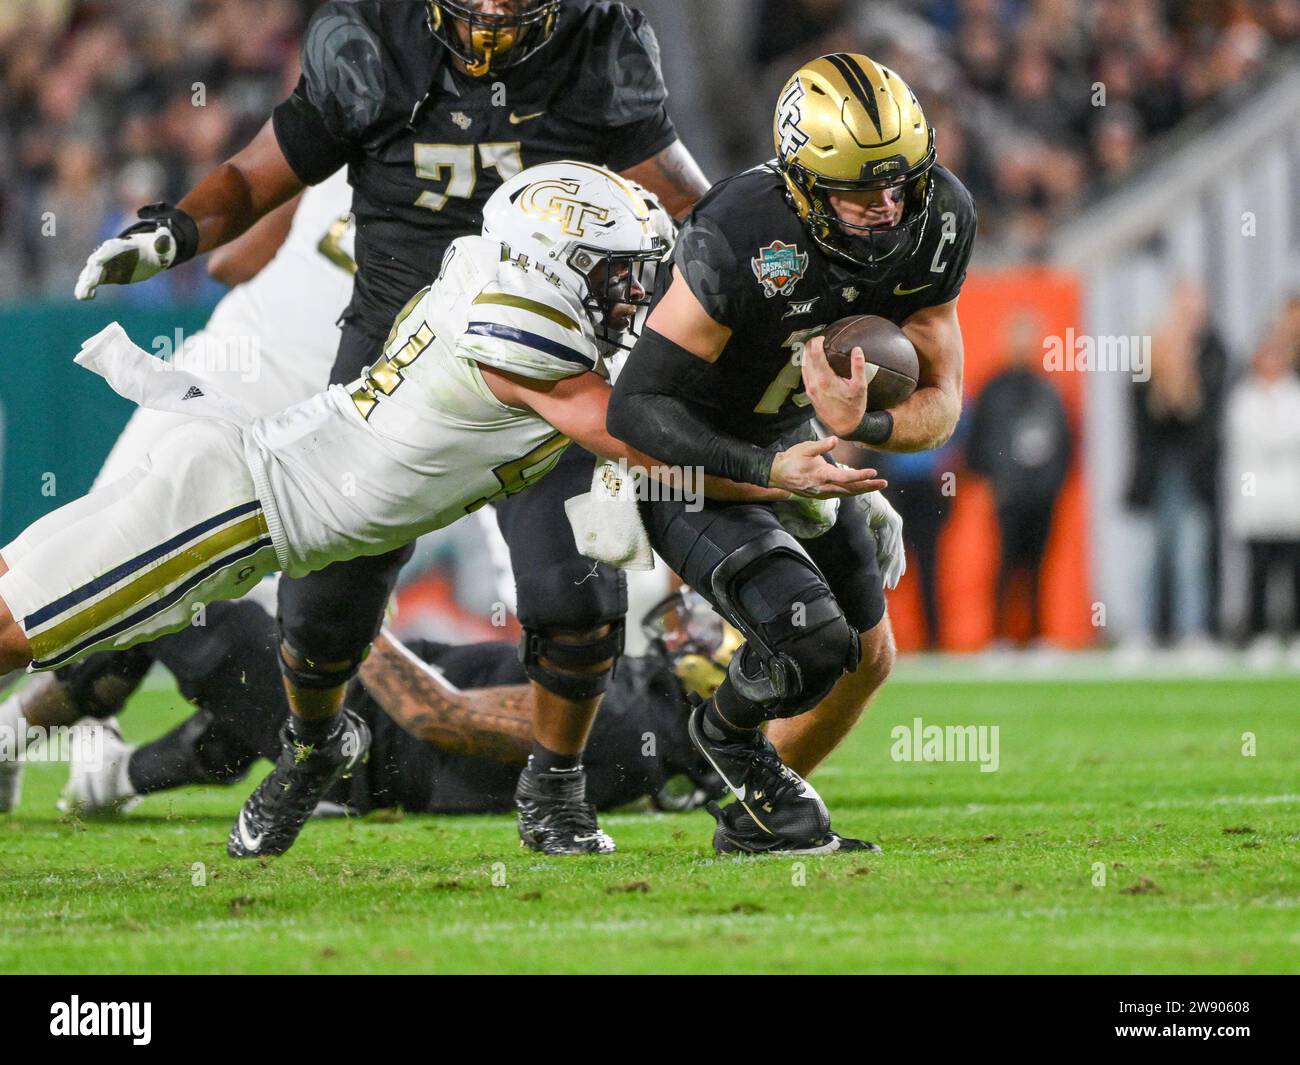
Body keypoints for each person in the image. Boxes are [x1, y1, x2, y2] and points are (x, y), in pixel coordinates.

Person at [0, 162, 871, 858]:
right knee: (17, 625)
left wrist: (793, 459)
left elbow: (664, 437)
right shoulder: (520, 337)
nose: (634, 295)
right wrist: (782, 470)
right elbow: (640, 440)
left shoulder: (502, 284)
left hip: (279, 490)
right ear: (553, 269)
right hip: (243, 502)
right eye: (615, 275)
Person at [71, 0, 714, 856]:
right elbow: (261, 174)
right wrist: (176, 229)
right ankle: (311, 747)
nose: (492, 22)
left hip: (550, 355)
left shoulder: (601, 38)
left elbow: (680, 197)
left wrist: (755, 265)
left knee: (576, 590)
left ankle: (554, 789)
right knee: (322, 608)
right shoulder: (369, 33)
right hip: (397, 356)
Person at [609, 53, 975, 853]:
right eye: (857, 191)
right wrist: (767, 470)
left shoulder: (938, 215)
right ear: (804, 184)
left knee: (866, 657)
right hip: (699, 462)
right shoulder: (740, 232)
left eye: (897, 185)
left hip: (794, 447)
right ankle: (722, 735)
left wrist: (863, 427)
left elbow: (941, 403)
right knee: (809, 642)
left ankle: (756, 810)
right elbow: (636, 407)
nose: (886, 209)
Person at [51, 592, 737, 821]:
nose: (693, 628)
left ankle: (10, 730)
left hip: (367, 733)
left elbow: (443, 717)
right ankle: (105, 780)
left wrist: (345, 618)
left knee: (174, 594)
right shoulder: (660, 723)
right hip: (372, 741)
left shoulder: (619, 720)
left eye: (716, 632)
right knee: (224, 729)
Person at [966, 313, 1072, 644]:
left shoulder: (1048, 389)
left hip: (1042, 494)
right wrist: (995, 480)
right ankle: (999, 634)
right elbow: (978, 440)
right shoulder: (992, 388)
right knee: (1005, 564)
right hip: (1008, 494)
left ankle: (1037, 633)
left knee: (1039, 565)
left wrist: (1053, 483)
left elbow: (1066, 440)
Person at [1224, 326, 1300, 654]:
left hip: (1290, 494)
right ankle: (1258, 632)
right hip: (1256, 494)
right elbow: (1250, 438)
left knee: (1294, 570)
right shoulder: (1244, 398)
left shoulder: (1294, 395)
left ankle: (1293, 631)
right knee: (1258, 569)